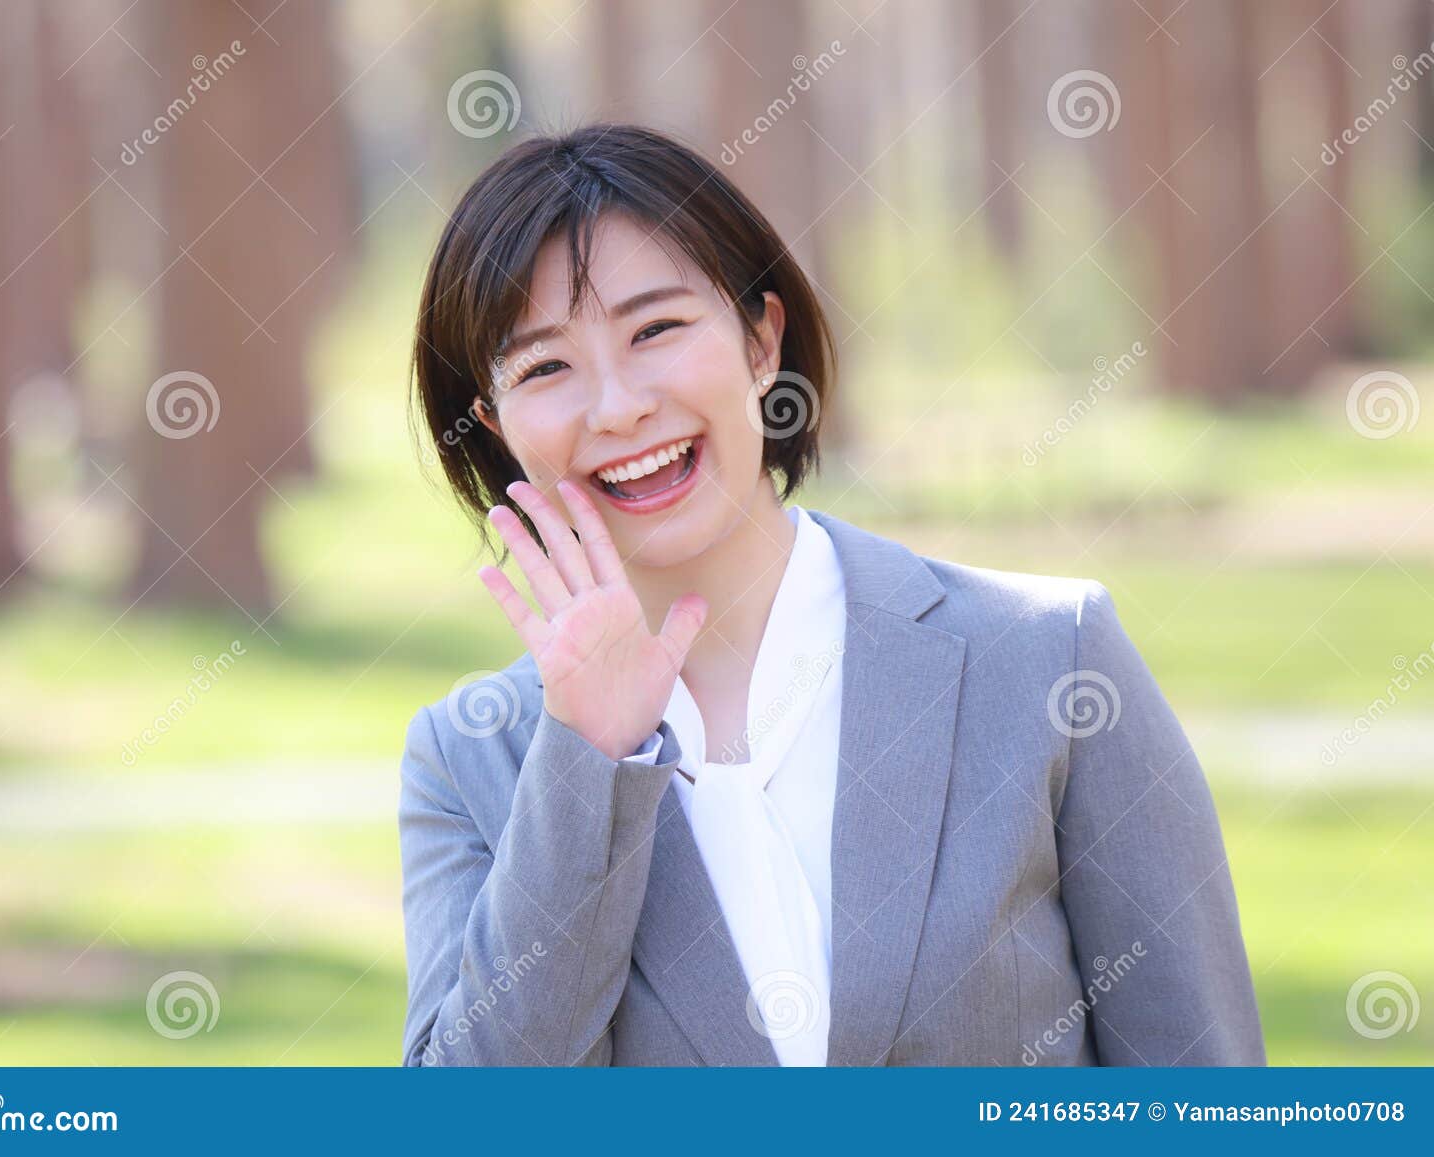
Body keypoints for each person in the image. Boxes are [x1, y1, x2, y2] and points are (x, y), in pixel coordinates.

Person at [398, 122, 1264, 1067]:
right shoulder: (470, 755)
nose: (618, 407)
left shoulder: (1050, 658)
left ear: (761, 341)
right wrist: (587, 761)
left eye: (656, 330)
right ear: (493, 424)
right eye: (545, 367)